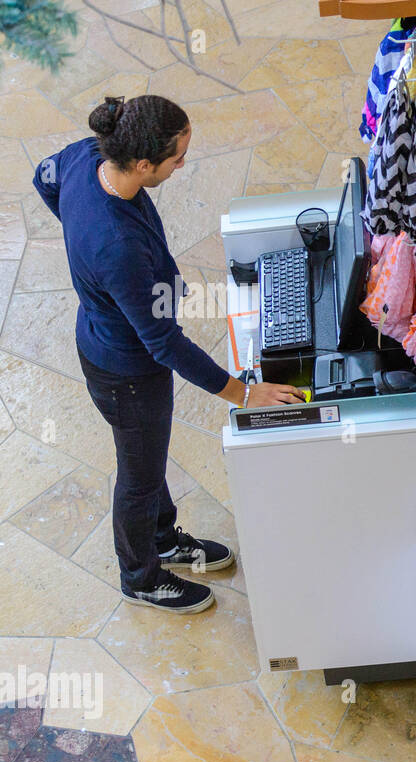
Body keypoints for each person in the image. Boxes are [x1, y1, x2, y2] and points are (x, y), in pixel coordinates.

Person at [33, 95, 304, 614]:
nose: (183, 164)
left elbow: (43, 180)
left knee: (148, 456)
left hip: (108, 341)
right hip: (127, 371)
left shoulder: (85, 156)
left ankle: (162, 539)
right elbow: (164, 343)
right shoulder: (116, 246)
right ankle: (140, 576)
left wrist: (77, 235)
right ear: (142, 164)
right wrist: (243, 393)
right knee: (138, 476)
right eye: (177, 156)